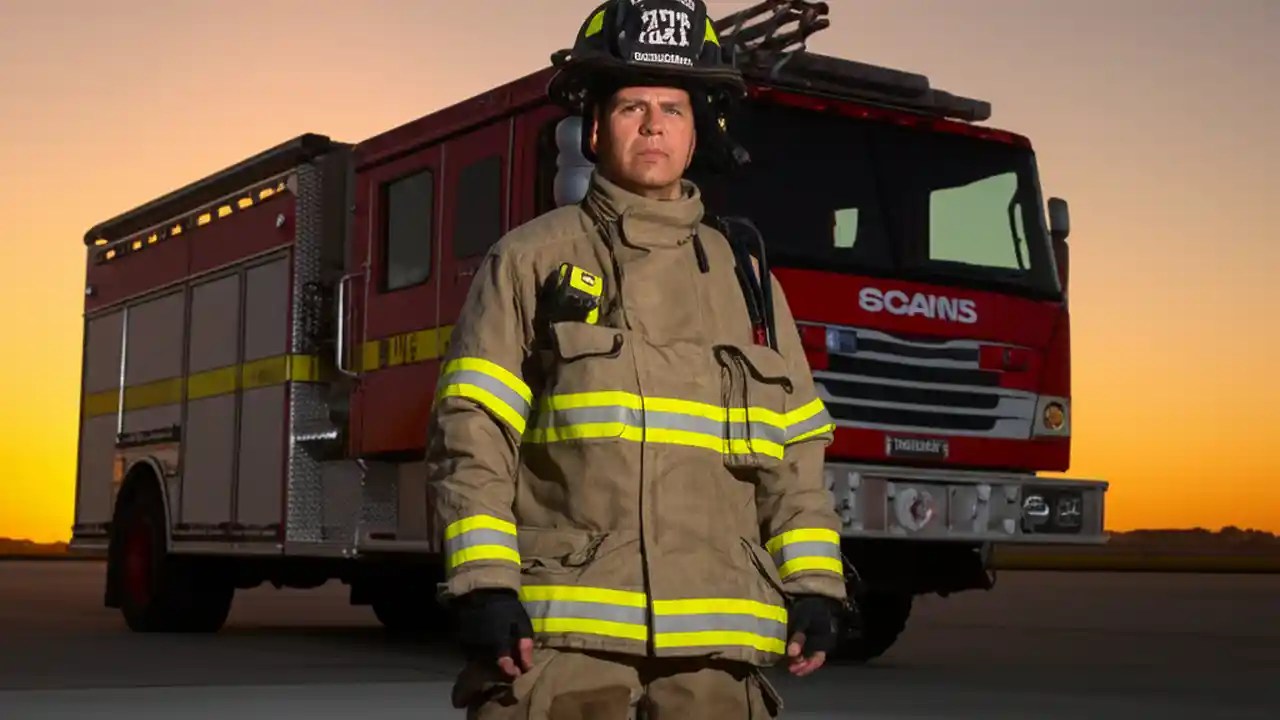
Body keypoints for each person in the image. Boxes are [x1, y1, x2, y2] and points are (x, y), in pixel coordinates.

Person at [424, 0, 847, 716]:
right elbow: (473, 436)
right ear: (594, 129)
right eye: (632, 107)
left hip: (716, 647)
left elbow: (796, 454)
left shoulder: (746, 279)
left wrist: (814, 586)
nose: (654, 125)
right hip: (565, 644)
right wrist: (486, 584)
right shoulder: (529, 260)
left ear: (696, 132)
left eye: (672, 109)